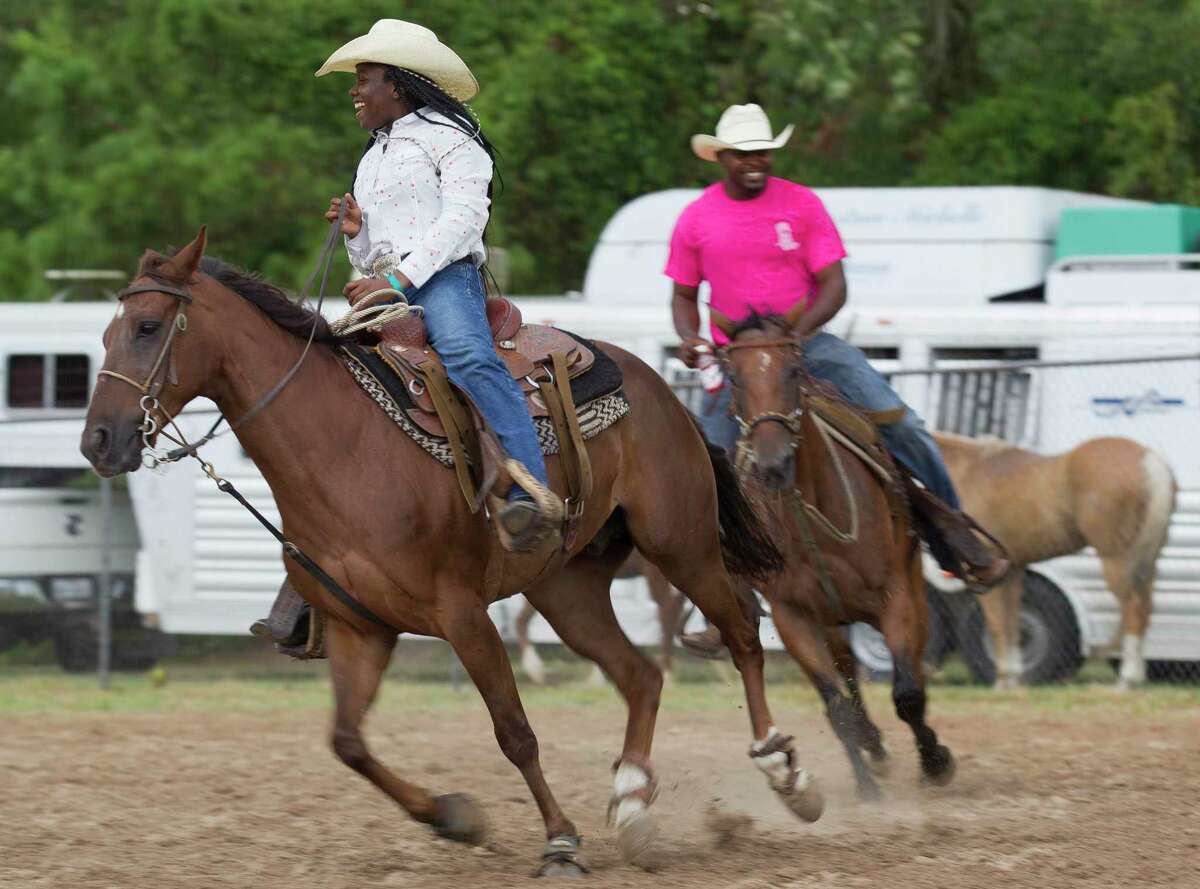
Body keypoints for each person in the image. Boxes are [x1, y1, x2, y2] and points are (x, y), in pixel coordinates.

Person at [666, 104, 1008, 654]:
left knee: (906, 427)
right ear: (722, 158)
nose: (756, 162)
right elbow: (684, 296)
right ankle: (726, 596)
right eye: (744, 154)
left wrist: (797, 335)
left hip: (809, 345)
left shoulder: (801, 204)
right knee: (708, 470)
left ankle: (956, 539)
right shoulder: (696, 219)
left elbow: (834, 285)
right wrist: (689, 338)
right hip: (738, 360)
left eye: (763, 152)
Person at [319, 19, 562, 552]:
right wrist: (358, 238)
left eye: (365, 79)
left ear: (398, 84)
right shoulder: (372, 157)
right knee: (327, 364)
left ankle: (531, 490)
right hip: (387, 285)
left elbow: (462, 223)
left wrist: (399, 279)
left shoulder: (454, 140)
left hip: (445, 279)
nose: (354, 91)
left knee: (468, 356)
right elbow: (374, 251)